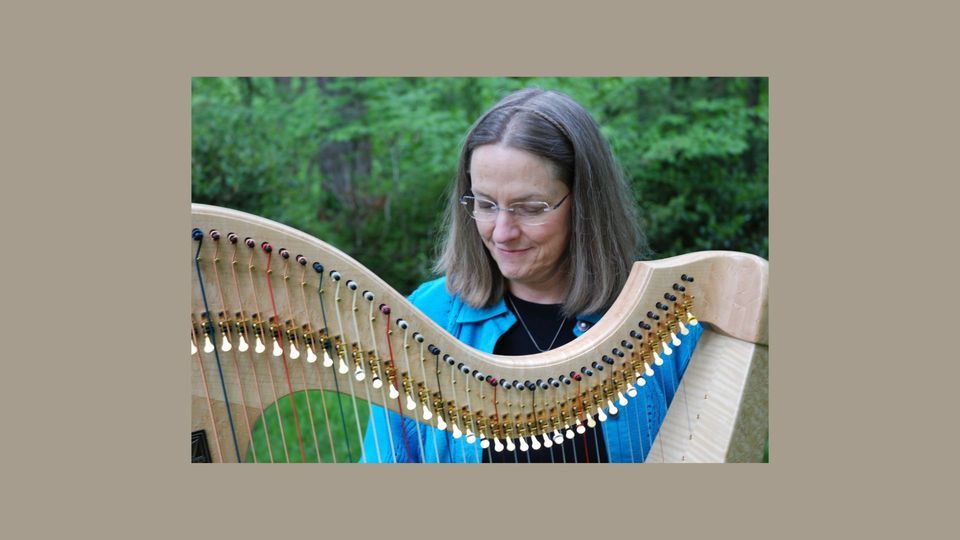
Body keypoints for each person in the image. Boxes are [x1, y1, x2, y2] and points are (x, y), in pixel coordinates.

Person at [360, 87, 702, 463]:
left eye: (530, 208)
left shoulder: (667, 325)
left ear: (585, 204)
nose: (502, 232)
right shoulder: (425, 318)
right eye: (485, 204)